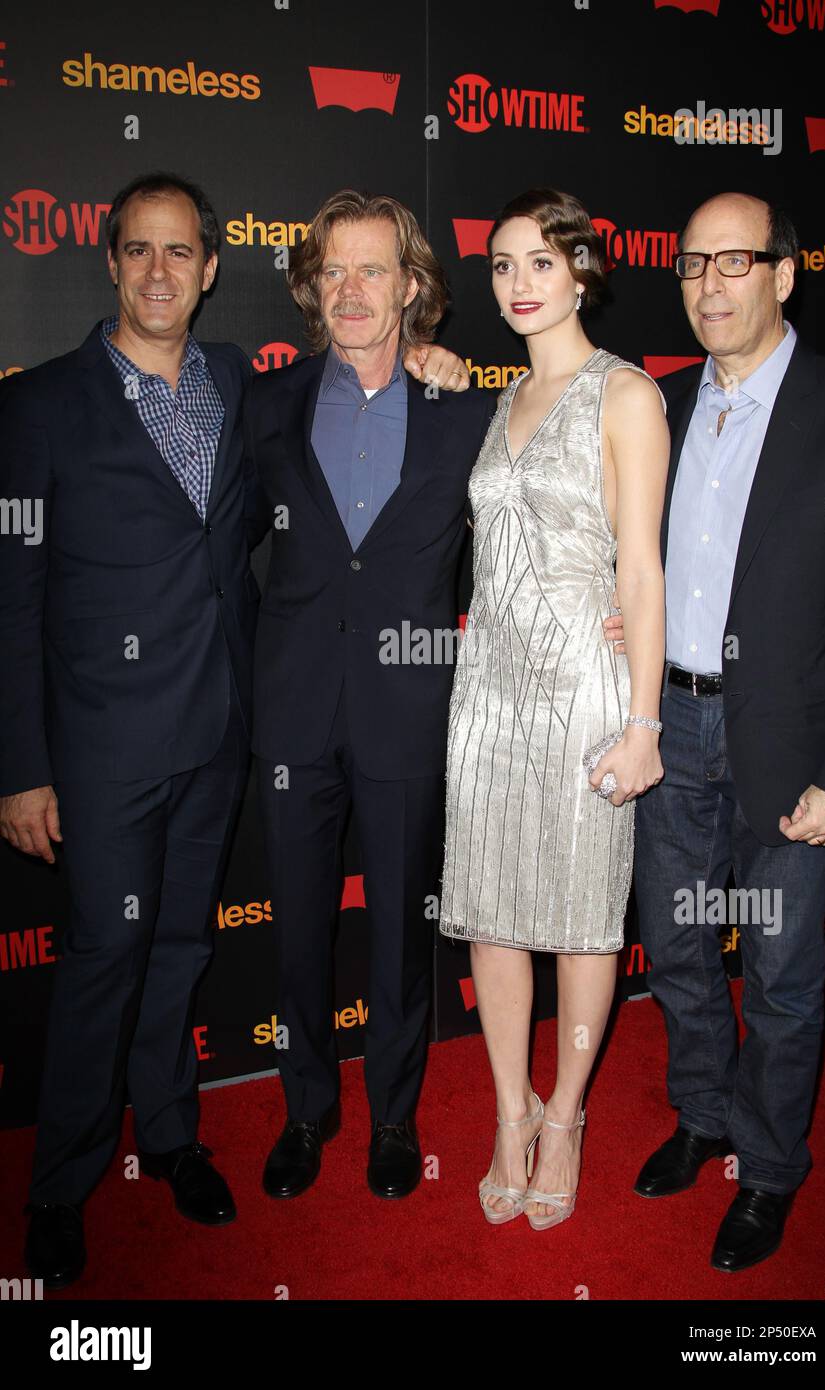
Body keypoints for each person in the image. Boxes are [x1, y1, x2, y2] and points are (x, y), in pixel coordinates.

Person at [0, 172, 466, 1289]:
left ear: (211, 270)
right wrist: (21, 766)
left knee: (191, 947)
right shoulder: (64, 405)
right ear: (111, 262)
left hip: (236, 730)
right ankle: (73, 1180)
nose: (160, 272)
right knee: (115, 951)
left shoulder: (250, 388)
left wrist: (436, 364)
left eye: (181, 253)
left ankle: (191, 1139)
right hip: (127, 741)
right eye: (138, 251)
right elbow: (12, 595)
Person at [605, 192, 825, 1271]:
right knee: (671, 945)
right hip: (666, 722)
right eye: (690, 266)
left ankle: (765, 1170)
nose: (708, 285)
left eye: (733, 262)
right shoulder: (656, 404)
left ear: (784, 273)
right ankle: (702, 1112)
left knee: (781, 974)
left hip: (789, 748)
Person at [243, 189, 493, 1202]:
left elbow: (521, 556)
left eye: (372, 270)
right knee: (298, 924)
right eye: (332, 271)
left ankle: (393, 1113)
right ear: (311, 287)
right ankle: (307, 1107)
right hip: (292, 709)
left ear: (410, 288)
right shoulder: (268, 404)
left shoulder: (463, 412)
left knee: (399, 927)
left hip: (406, 715)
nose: (350, 290)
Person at [438, 188, 669, 1229]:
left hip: (586, 686)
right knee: (488, 911)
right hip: (488, 690)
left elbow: (642, 569)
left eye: (539, 261)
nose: (518, 283)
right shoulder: (496, 404)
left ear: (582, 271)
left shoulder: (626, 396)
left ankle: (565, 1116)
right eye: (500, 265)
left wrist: (643, 721)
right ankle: (506, 1110)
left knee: (580, 922)